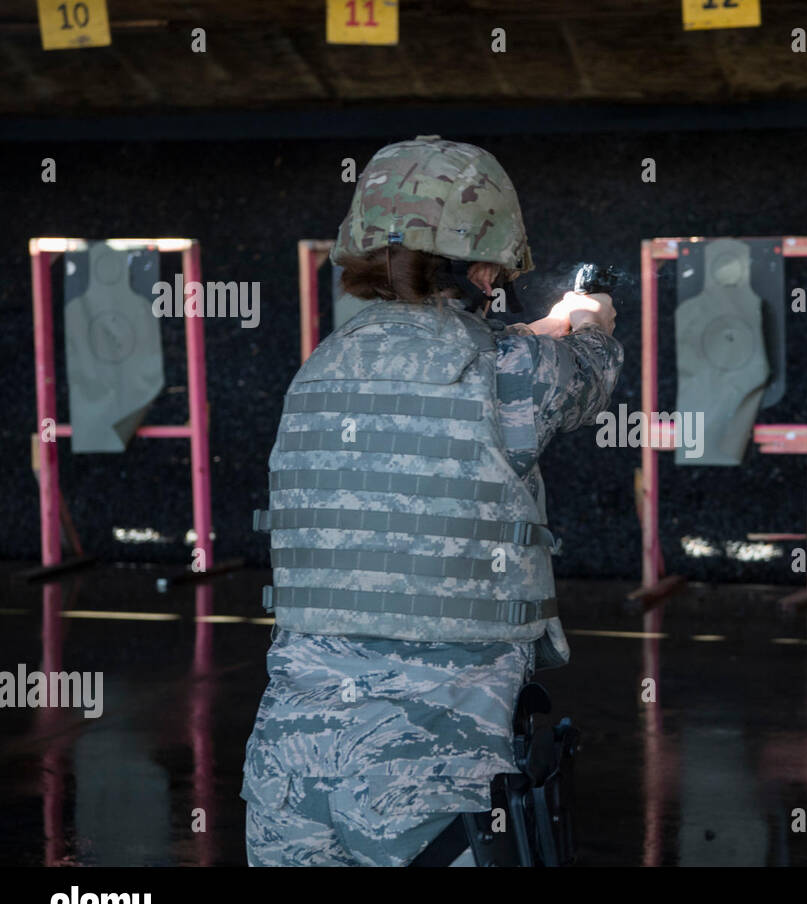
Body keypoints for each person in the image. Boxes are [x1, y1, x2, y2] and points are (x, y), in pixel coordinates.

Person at [241, 134, 622, 866]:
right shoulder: (508, 374)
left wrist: (530, 331)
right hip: (429, 779)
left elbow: (452, 363)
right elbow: (587, 370)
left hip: (289, 774)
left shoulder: (319, 370)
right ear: (482, 268)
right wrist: (589, 317)